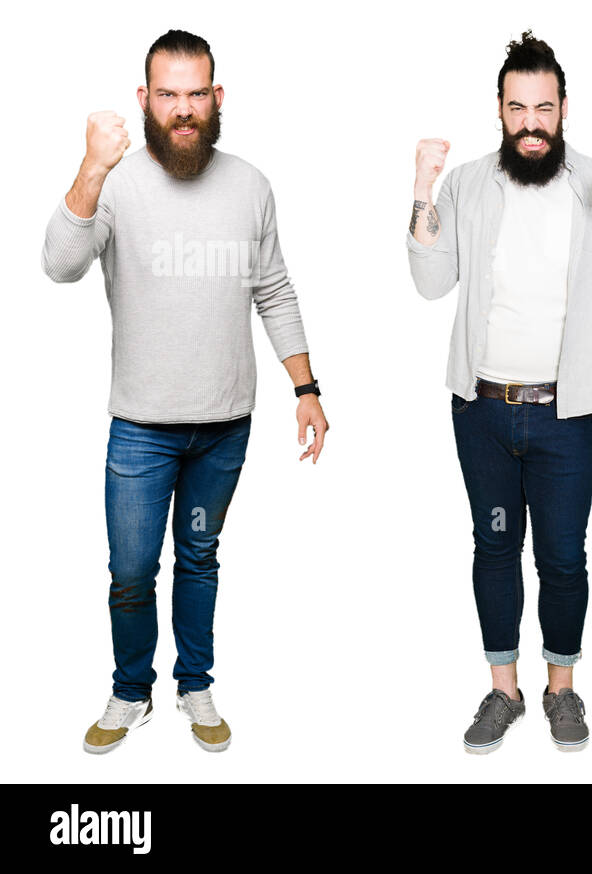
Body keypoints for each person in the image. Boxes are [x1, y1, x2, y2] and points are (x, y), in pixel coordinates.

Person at [42, 30, 328, 754]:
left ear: (216, 98)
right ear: (145, 100)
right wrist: (88, 169)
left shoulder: (252, 186)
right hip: (140, 427)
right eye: (167, 95)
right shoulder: (115, 183)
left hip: (225, 426)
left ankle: (193, 683)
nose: (183, 110)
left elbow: (275, 289)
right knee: (132, 570)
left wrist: (307, 387)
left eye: (195, 93)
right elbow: (59, 264)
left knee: (200, 559)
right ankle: (130, 691)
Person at [407, 31, 592, 754]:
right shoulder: (468, 183)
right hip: (479, 408)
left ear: (565, 107)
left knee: (563, 557)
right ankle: (503, 690)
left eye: (544, 107)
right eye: (518, 108)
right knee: (492, 546)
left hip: (563, 412)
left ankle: (563, 688)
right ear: (499, 110)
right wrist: (422, 187)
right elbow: (428, 280)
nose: (532, 123)